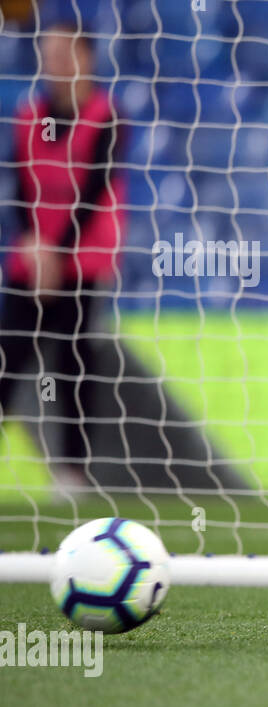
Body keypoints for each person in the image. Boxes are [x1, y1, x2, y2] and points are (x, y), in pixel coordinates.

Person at [0, 21, 124, 490]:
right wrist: (33, 244)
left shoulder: (107, 117)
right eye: (47, 54)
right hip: (30, 263)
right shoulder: (29, 115)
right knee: (8, 357)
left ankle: (71, 473)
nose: (54, 63)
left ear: (85, 57)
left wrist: (55, 251)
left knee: (73, 364)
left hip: (81, 264)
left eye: (62, 54)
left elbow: (93, 191)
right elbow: (18, 186)